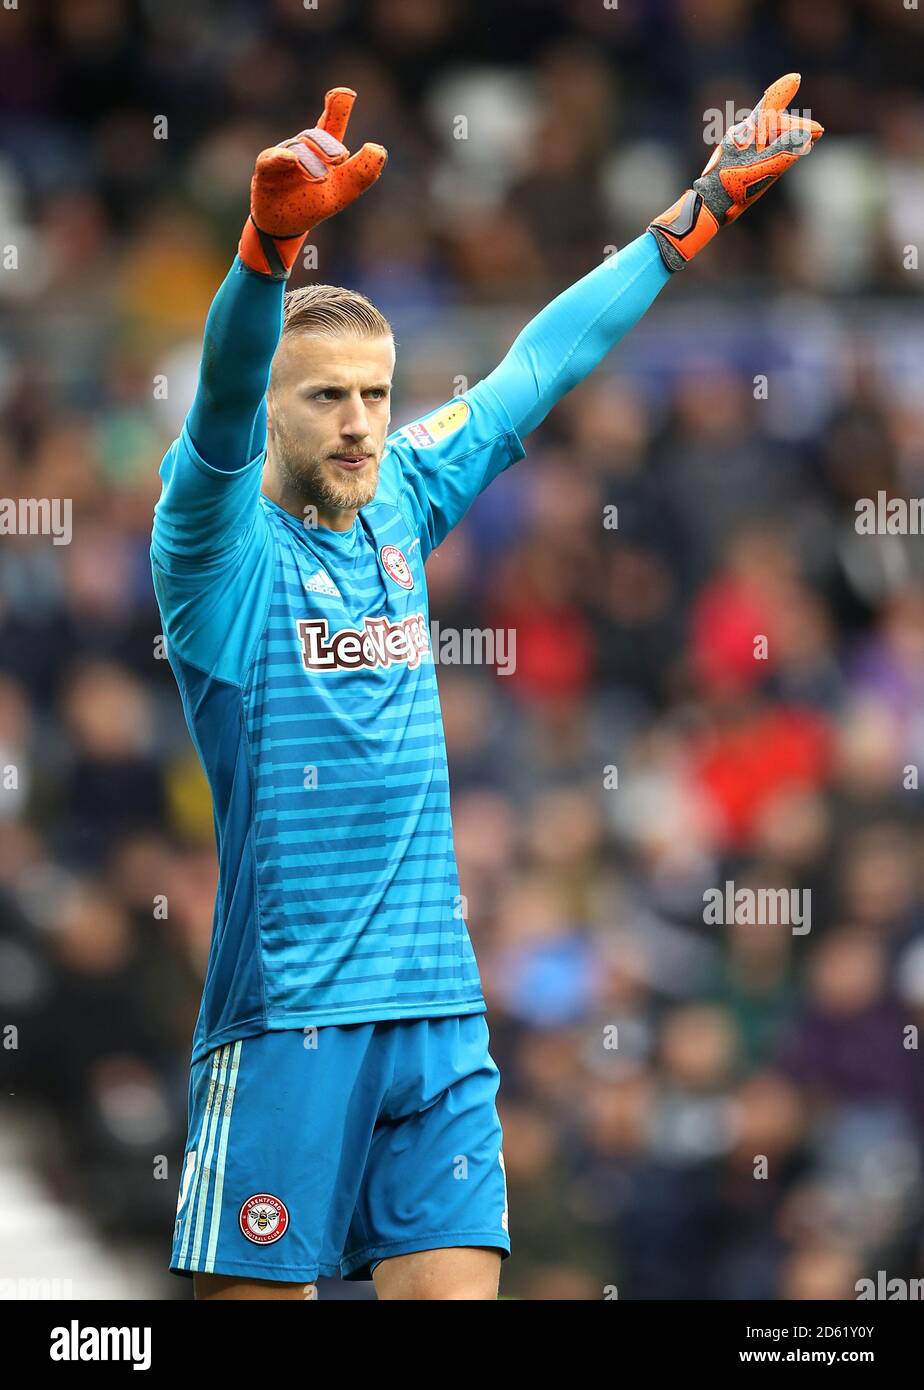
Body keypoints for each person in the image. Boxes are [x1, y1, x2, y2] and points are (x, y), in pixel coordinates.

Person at [152, 81, 820, 1300]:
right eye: (324, 397)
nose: (360, 425)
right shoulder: (214, 553)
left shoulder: (402, 495)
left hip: (439, 1014)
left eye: (374, 393)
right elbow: (212, 409)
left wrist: (696, 211)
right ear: (271, 409)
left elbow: (537, 364)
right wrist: (266, 255)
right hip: (292, 1016)